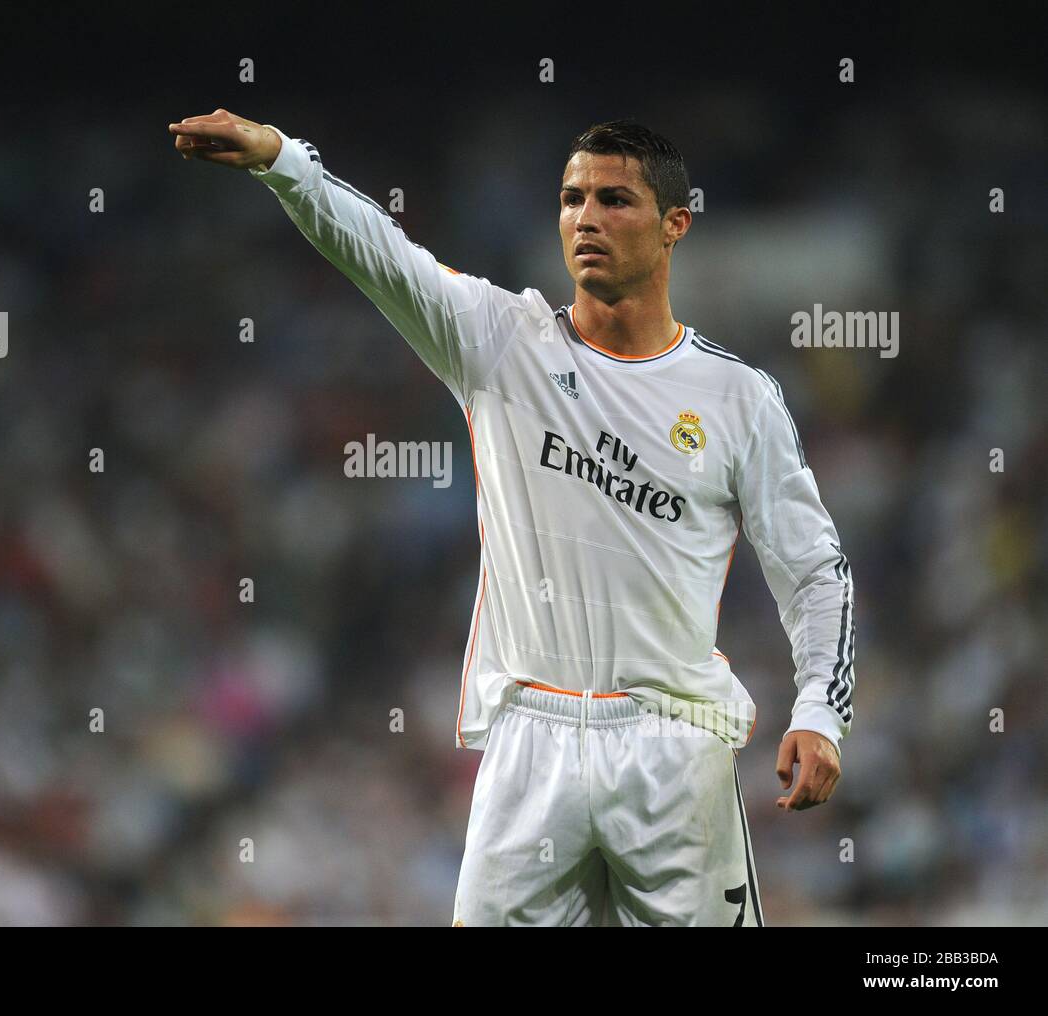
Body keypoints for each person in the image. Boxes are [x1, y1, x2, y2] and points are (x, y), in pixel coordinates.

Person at [169, 109, 856, 926]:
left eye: (614, 200)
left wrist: (820, 710)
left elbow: (814, 567)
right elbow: (381, 255)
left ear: (676, 225)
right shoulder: (504, 340)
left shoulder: (737, 399)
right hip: (530, 742)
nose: (586, 218)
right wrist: (284, 162)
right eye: (571, 199)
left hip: (673, 748)